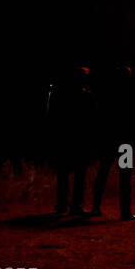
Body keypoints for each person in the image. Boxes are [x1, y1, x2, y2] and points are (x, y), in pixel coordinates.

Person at [91, 65, 135, 221]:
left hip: (109, 139)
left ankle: (95, 207)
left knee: (103, 172)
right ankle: (125, 212)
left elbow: (100, 117)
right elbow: (134, 120)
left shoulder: (107, 95)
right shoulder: (130, 95)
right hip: (125, 142)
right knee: (125, 177)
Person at [50, 66, 95, 217]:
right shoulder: (86, 96)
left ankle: (62, 204)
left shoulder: (62, 95)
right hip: (80, 139)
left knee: (64, 173)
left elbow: (53, 118)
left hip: (65, 139)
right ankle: (76, 205)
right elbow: (91, 120)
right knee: (79, 174)